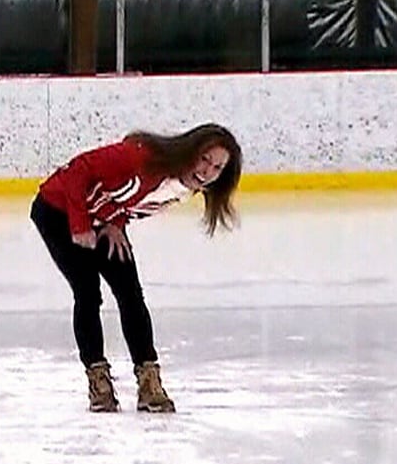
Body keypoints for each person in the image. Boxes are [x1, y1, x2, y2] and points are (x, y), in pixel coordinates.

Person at [32, 124, 243, 414]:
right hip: (58, 210)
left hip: (102, 218)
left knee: (130, 294)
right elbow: (77, 171)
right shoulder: (139, 157)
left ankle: (149, 384)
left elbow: (123, 199)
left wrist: (114, 223)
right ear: (189, 149)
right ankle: (99, 383)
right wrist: (81, 225)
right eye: (204, 159)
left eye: (217, 168)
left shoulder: (183, 187)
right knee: (88, 292)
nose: (207, 172)